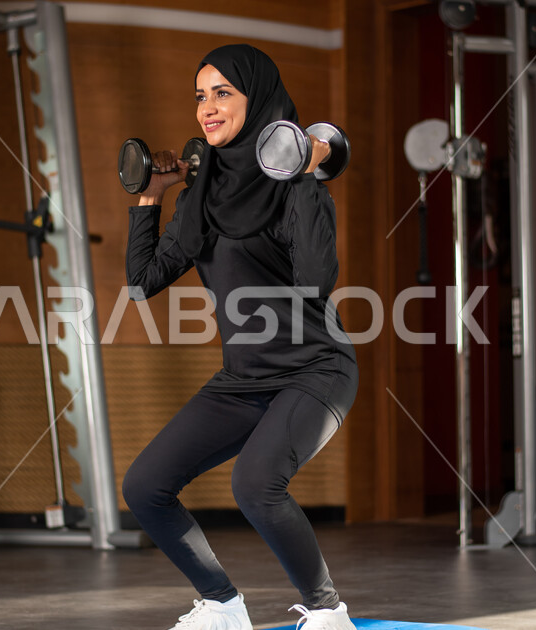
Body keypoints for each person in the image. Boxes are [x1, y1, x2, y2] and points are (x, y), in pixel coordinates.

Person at [122, 44, 359, 630]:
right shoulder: (202, 194)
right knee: (146, 485)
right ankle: (223, 606)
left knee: (256, 485)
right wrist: (151, 195)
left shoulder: (292, 184)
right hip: (246, 378)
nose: (207, 107)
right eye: (200, 95)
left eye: (223, 92)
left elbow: (315, 281)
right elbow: (144, 281)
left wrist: (304, 171)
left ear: (258, 102)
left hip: (315, 370)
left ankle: (329, 613)